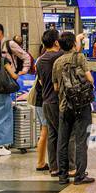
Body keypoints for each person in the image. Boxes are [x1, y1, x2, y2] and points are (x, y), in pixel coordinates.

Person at [53, 30, 95, 185]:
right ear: (73, 44)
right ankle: (80, 176)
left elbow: (56, 87)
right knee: (81, 140)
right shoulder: (80, 57)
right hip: (81, 105)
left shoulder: (57, 62)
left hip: (64, 105)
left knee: (62, 141)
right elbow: (89, 78)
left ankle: (62, 176)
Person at [35, 29, 63, 175]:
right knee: (62, 134)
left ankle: (54, 167)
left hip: (46, 100)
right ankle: (64, 165)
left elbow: (40, 81)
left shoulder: (39, 60)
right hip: (58, 100)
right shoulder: (59, 56)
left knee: (51, 134)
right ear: (56, 42)